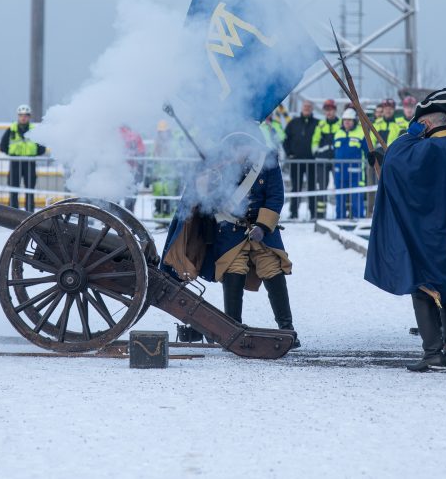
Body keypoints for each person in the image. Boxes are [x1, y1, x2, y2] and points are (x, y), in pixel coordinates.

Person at [365, 91, 446, 371]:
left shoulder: (424, 149)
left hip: (428, 235)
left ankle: (433, 353)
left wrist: (409, 134)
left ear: (425, 124)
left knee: (423, 289)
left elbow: (395, 158)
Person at [160, 133, 298, 346]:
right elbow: (206, 201)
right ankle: (232, 330)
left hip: (263, 231)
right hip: (230, 230)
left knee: (272, 268)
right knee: (233, 269)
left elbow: (275, 196)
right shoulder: (217, 162)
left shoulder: (267, 161)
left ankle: (287, 328)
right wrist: (206, 182)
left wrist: (263, 226)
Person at [0, 104, 46, 211]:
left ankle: (29, 214)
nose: (23, 118)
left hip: (30, 163)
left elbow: (42, 148)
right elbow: (2, 146)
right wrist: (12, 153)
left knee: (30, 190)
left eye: (26, 115)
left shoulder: (34, 130)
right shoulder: (12, 129)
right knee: (13, 190)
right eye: (21, 115)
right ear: (18, 116)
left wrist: (33, 153)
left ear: (29, 117)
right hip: (15, 162)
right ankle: (12, 214)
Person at [283, 101, 319, 220]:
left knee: (312, 187)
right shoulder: (293, 123)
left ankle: (313, 213)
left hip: (312, 161)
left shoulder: (318, 123)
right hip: (296, 161)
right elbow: (285, 139)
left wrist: (318, 154)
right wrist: (289, 153)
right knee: (296, 187)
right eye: (305, 106)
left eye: (309, 106)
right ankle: (293, 213)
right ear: (301, 108)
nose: (307, 108)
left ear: (312, 109)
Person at [332, 108, 368, 218]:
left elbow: (368, 151)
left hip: (356, 174)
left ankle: (358, 219)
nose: (347, 122)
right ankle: (340, 219)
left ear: (354, 121)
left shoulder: (361, 133)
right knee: (340, 199)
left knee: (357, 198)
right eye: (345, 120)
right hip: (340, 174)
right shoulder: (338, 133)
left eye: (349, 120)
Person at [311, 99, 341, 218]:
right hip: (322, 161)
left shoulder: (341, 124)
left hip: (337, 161)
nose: (329, 112)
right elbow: (315, 141)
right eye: (327, 110)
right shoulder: (321, 125)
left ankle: (340, 213)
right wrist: (316, 152)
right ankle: (320, 214)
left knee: (339, 186)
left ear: (335, 110)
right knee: (322, 187)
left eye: (331, 110)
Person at [119, 124, 145, 212]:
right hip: (130, 170)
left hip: (122, 171)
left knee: (115, 199)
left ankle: (114, 216)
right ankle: (128, 216)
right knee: (130, 198)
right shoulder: (135, 135)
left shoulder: (116, 133)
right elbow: (142, 152)